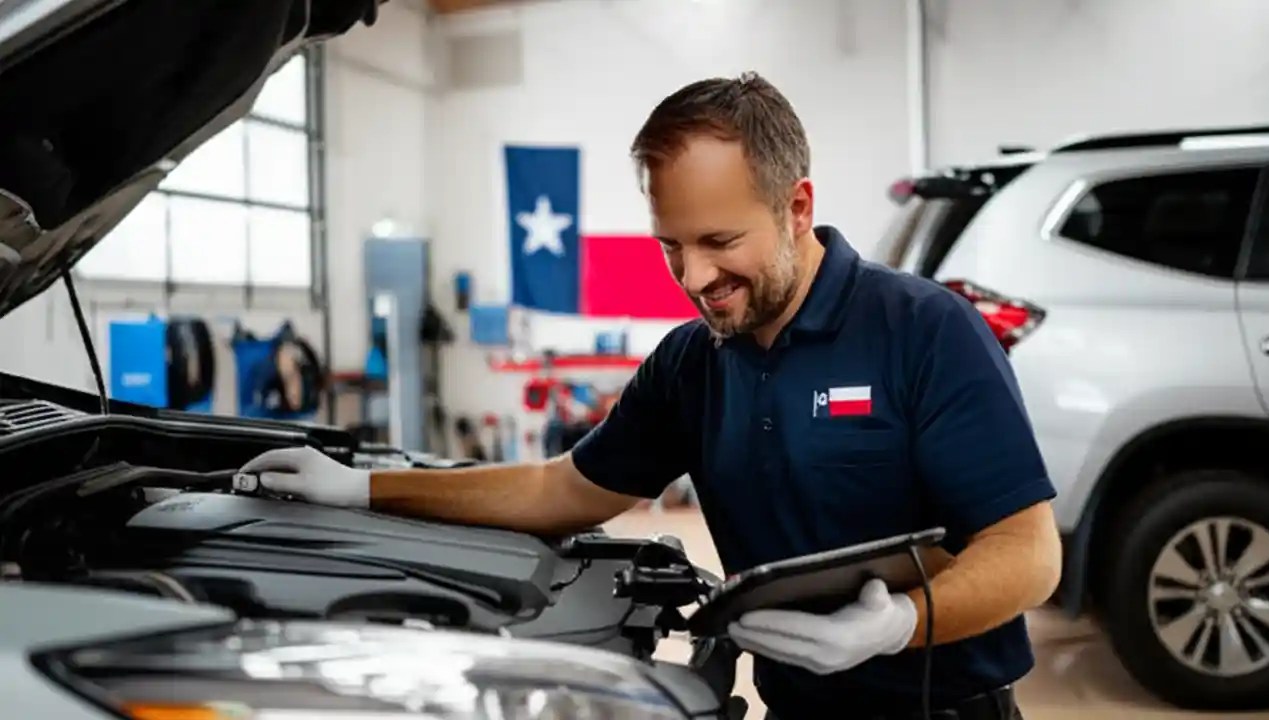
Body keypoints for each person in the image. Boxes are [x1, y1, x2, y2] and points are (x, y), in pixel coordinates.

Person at [238, 72, 1061, 720]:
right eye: (671, 246)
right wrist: (364, 489)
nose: (695, 278)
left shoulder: (923, 330)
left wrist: (899, 623)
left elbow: (1029, 553)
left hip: (943, 710)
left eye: (719, 241)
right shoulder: (690, 364)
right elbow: (561, 488)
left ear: (797, 206)